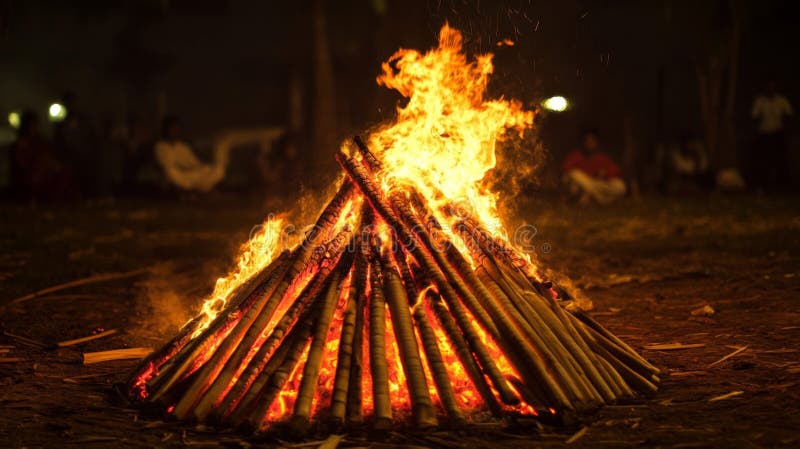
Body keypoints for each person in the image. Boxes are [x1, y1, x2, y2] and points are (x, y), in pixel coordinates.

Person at [11, 111, 77, 202]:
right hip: (31, 177)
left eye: (36, 125)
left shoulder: (40, 141)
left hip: (46, 174)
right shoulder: (21, 144)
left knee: (65, 174)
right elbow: (22, 164)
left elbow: (49, 155)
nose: (36, 127)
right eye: (33, 125)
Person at [154, 116, 227, 193]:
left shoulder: (183, 146)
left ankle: (197, 187)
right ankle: (195, 188)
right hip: (178, 175)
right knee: (170, 172)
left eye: (177, 129)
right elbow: (166, 165)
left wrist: (199, 168)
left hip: (191, 174)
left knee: (217, 169)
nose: (175, 132)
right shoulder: (160, 146)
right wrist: (183, 170)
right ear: (166, 130)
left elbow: (194, 162)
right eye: (173, 129)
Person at [562, 129, 626, 204]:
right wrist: (583, 177)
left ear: (597, 142)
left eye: (592, 141)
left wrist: (605, 173)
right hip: (582, 186)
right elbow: (566, 169)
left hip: (597, 185)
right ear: (583, 143)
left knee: (620, 186)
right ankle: (600, 199)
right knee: (574, 175)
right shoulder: (576, 155)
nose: (589, 143)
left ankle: (594, 198)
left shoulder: (601, 157)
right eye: (587, 141)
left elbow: (614, 171)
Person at [750, 81, 793, 190]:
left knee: (781, 159)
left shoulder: (782, 100)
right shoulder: (760, 101)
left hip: (778, 133)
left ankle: (783, 184)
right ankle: (764, 184)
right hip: (764, 134)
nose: (771, 89)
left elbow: (789, 115)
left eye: (773, 86)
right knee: (764, 160)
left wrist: (787, 130)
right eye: (768, 87)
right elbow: (754, 116)